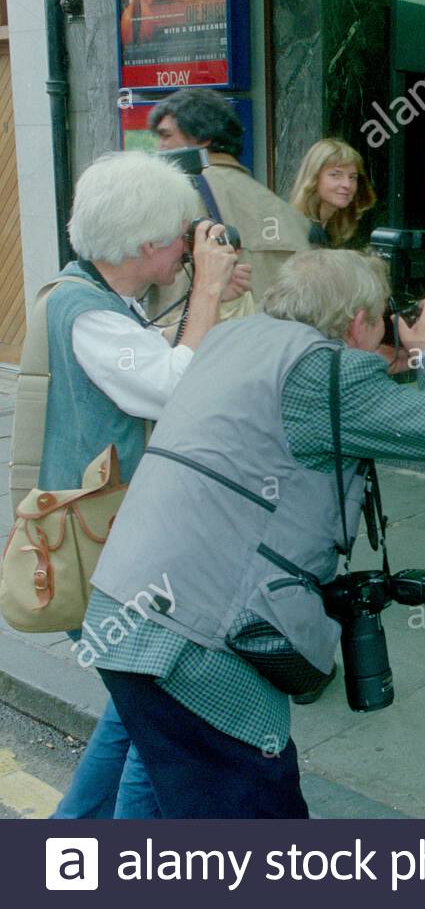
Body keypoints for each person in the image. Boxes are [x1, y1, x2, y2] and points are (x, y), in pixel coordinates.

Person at [82, 249, 425, 818]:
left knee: (165, 784)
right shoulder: (325, 373)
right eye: (379, 315)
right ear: (354, 323)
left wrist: (373, 366)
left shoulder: (235, 338)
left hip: (124, 610)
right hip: (197, 646)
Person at [40, 151, 241, 818]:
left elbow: (151, 358)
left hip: (118, 548)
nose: (190, 242)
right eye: (183, 233)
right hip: (107, 559)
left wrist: (207, 296)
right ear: (148, 244)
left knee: (137, 709)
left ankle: (70, 840)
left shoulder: (102, 298)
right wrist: (206, 291)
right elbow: (173, 387)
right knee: (156, 715)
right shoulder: (88, 313)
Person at [147, 88, 311, 321]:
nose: (160, 148)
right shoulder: (283, 211)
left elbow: (170, 308)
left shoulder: (180, 199)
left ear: (202, 138)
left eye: (166, 136)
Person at [288, 138, 378, 247]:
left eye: (352, 177)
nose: (347, 184)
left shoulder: (331, 226)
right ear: (314, 178)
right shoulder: (303, 231)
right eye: (335, 175)